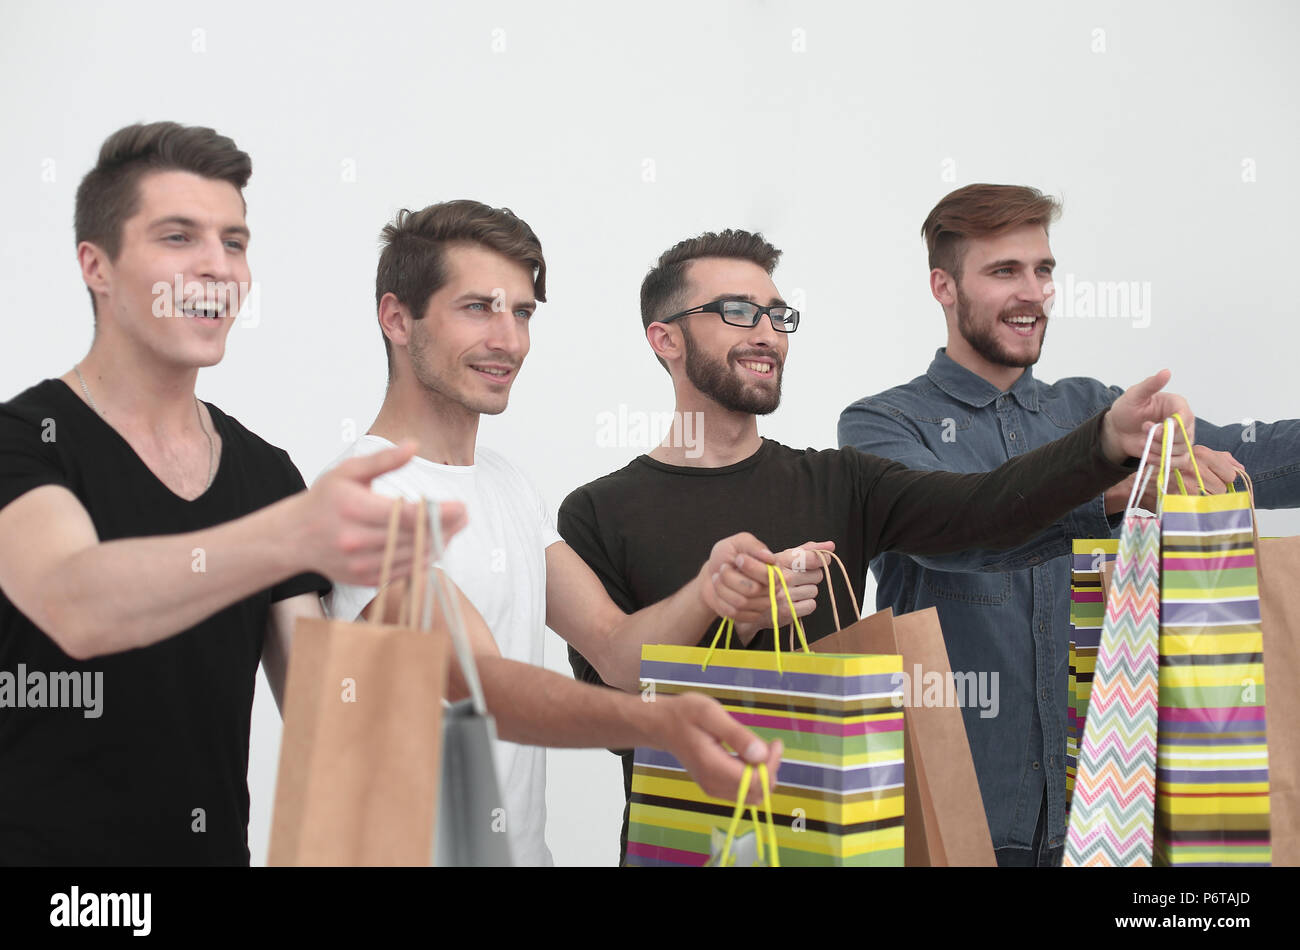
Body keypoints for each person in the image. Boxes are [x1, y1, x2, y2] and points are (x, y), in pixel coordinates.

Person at [0, 124, 779, 866]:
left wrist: (694, 624)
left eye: (233, 242)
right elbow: (75, 603)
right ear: (95, 265)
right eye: (179, 237)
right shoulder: (27, 441)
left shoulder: (265, 475)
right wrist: (649, 722)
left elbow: (323, 709)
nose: (217, 265)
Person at [559, 227, 1194, 862]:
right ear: (664, 338)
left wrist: (1105, 443)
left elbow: (986, 510)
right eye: (736, 312)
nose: (766, 333)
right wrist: (726, 611)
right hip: (690, 847)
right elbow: (608, 710)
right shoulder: (597, 511)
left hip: (844, 845)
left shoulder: (843, 483)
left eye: (778, 315)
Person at [322, 200, 808, 866]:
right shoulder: (368, 493)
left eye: (521, 313)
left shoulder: (508, 486)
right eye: (477, 309)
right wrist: (658, 723)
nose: (509, 340)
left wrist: (712, 588)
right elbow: (483, 682)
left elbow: (615, 651)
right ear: (398, 318)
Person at [837, 183, 1300, 866]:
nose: (1033, 292)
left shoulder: (1089, 407)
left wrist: (1186, 463)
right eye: (1004, 272)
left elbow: (1249, 456)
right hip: (955, 811)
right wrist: (1116, 482)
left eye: (1043, 269)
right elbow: (970, 527)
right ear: (943, 286)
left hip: (1109, 815)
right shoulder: (883, 425)